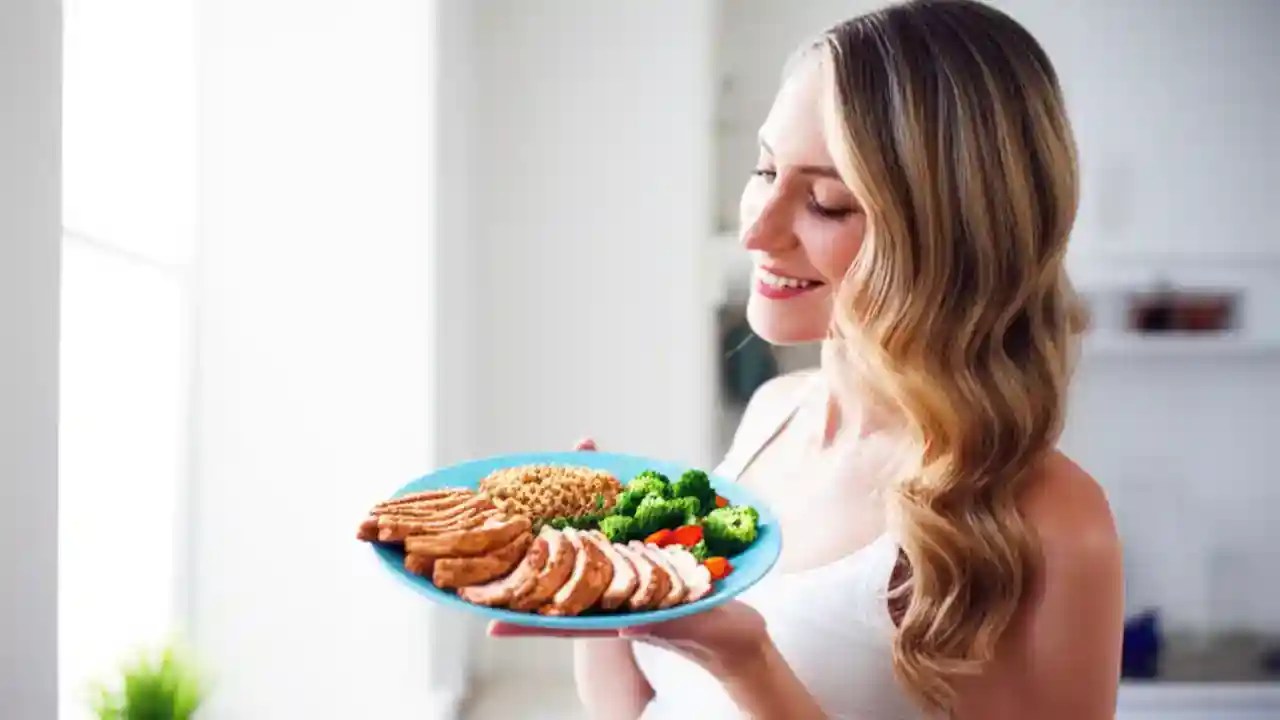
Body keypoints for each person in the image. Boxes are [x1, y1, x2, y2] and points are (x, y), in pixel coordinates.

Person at [490, 1, 1124, 718]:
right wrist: (600, 587)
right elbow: (649, 706)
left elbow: (731, 670)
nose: (756, 230)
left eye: (826, 202)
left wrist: (747, 663)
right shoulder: (776, 416)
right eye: (765, 170)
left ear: (952, 237)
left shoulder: (1047, 520)